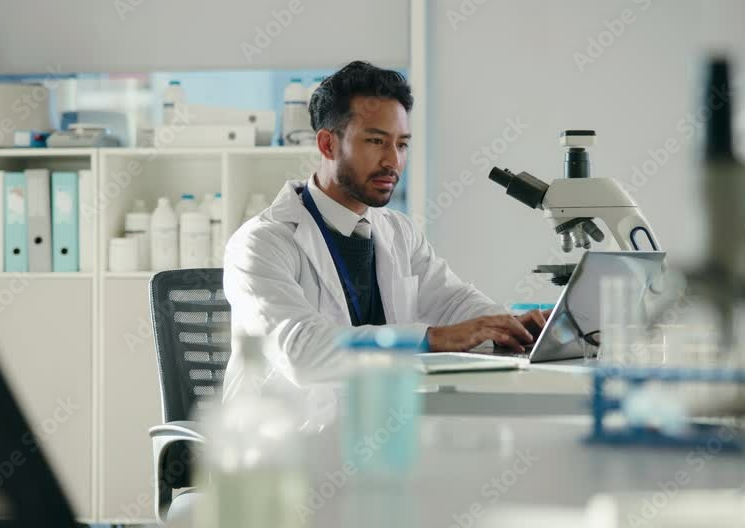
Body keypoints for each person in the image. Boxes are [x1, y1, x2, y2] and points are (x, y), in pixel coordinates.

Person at [223, 61, 548, 384]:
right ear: (327, 144)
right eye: (376, 141)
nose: (393, 161)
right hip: (283, 430)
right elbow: (301, 352)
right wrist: (431, 338)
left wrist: (510, 326)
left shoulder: (399, 232)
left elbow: (453, 301)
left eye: (402, 144)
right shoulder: (260, 244)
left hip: (378, 421)